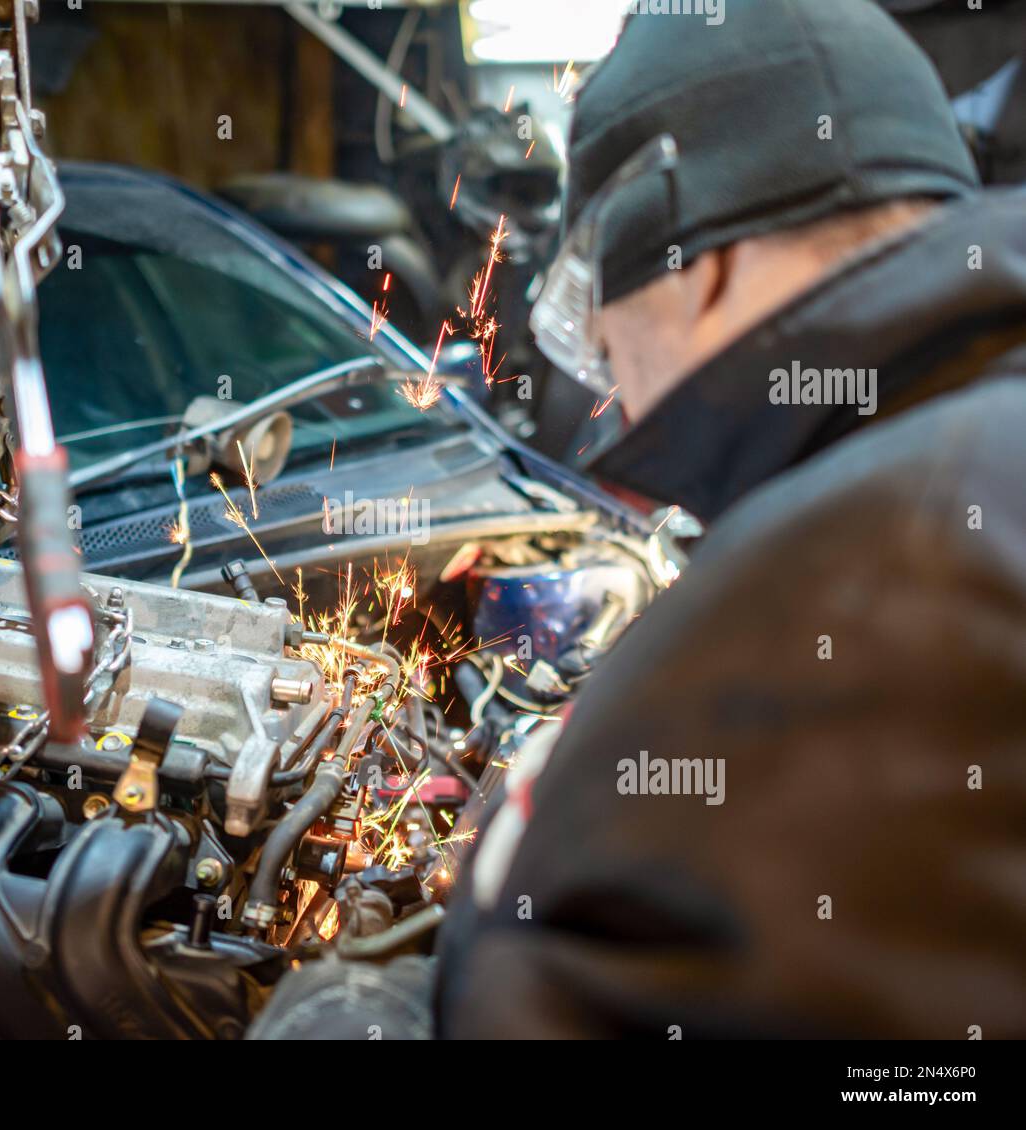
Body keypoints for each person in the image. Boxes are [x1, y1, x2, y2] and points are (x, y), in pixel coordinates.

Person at [434, 0, 1026, 1038]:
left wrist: (342, 1007)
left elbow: (549, 989)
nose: (613, 378)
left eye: (596, 323)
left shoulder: (873, 564)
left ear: (684, 252)